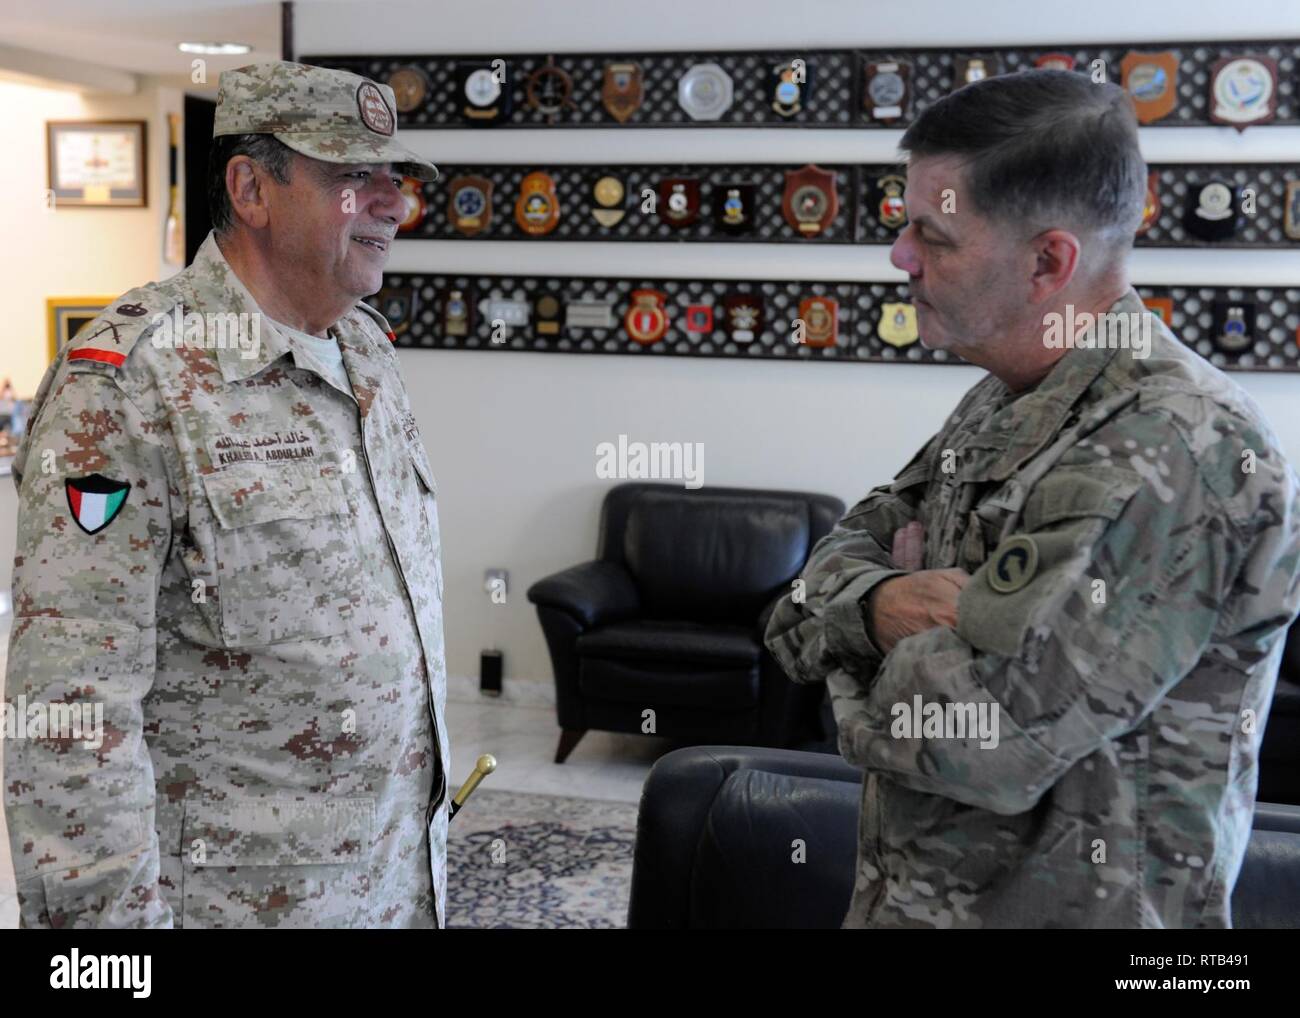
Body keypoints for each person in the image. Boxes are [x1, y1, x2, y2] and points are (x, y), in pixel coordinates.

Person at [765, 69, 1300, 928]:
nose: (900, 256)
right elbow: (798, 596)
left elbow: (984, 742)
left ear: (1049, 260)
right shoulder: (1002, 395)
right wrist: (884, 610)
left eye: (932, 236)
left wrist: (853, 630)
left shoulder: (1184, 444)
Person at [4, 60, 449, 928]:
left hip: (391, 888)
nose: (394, 203)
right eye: (354, 176)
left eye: (394, 178)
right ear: (251, 187)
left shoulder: (368, 353)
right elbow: (71, 714)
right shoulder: (128, 384)